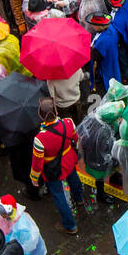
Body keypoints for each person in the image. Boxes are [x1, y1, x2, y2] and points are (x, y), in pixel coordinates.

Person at [30, 97, 85, 235]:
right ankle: (79, 199)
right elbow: (75, 139)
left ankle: (70, 225)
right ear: (55, 110)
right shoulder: (68, 122)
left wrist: (34, 178)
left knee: (58, 195)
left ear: (41, 115)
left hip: (52, 169)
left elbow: (37, 163)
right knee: (74, 179)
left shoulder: (39, 138)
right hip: (69, 161)